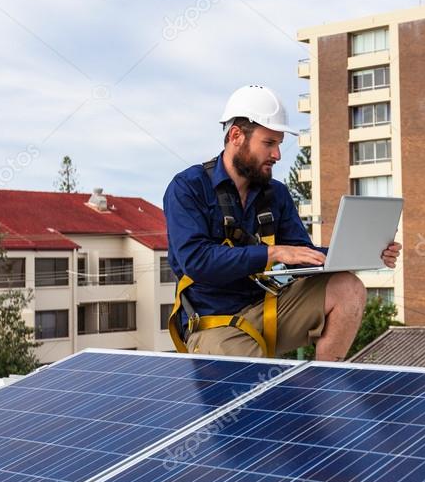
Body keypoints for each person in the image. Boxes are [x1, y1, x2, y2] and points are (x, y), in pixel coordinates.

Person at [163, 84, 401, 360]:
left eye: (278, 144)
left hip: (270, 309)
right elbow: (197, 261)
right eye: (269, 143)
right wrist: (272, 253)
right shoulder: (188, 188)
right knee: (256, 382)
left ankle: (326, 378)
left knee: (349, 288)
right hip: (215, 322)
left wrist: (361, 252)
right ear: (236, 136)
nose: (277, 154)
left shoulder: (275, 194)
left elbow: (300, 257)